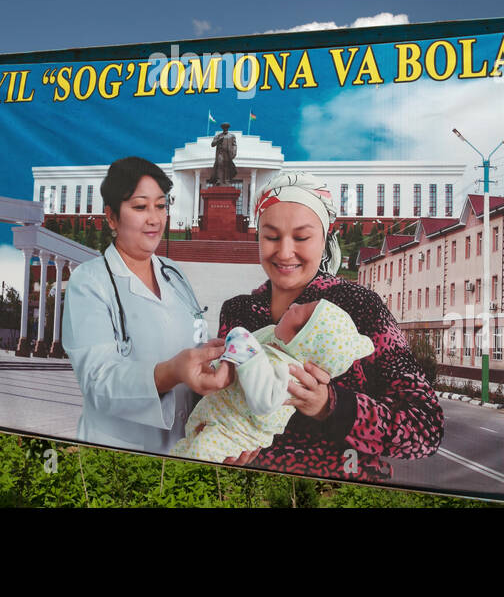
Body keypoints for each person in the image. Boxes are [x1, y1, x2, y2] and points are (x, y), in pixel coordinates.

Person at [218, 171, 444, 480]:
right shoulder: (238, 311)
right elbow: (217, 396)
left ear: (325, 238)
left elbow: (425, 428)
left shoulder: (360, 306)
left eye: (301, 237)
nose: (284, 252)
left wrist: (331, 406)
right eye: (271, 236)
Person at [62, 156, 234, 454]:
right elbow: (98, 382)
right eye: (140, 207)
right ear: (112, 217)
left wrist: (215, 355)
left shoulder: (173, 273)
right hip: (117, 453)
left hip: (185, 449)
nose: (154, 218)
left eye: (161, 205)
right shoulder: (89, 282)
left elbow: (194, 341)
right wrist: (172, 371)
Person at [172, 298, 374, 463]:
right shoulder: (272, 336)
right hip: (215, 412)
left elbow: (264, 401)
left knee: (197, 457)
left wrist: (243, 346)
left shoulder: (289, 373)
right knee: (183, 449)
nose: (292, 305)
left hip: (235, 432)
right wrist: (218, 361)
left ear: (299, 338)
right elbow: (234, 355)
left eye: (298, 310)